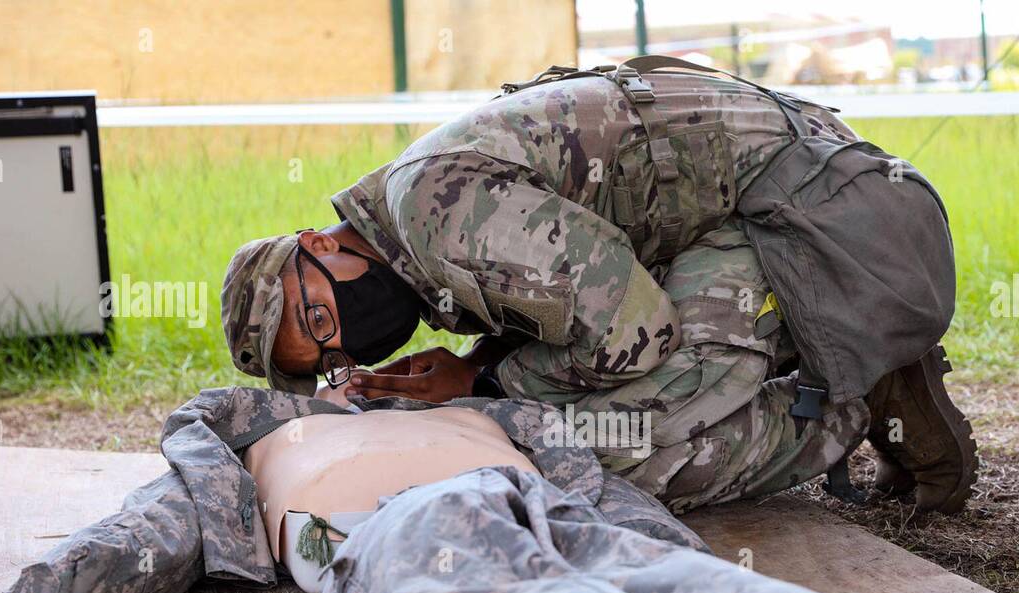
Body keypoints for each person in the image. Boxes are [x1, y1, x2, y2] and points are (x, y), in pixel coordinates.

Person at [220, 59, 976, 514]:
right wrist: (486, 375)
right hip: (763, 214)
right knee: (557, 414)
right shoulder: (413, 235)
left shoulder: (430, 211)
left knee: (610, 443)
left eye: (319, 312)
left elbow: (632, 330)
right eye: (332, 352)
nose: (345, 337)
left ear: (317, 242)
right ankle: (852, 373)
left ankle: (854, 399)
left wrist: (484, 380)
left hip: (824, 218)